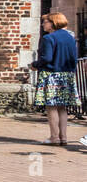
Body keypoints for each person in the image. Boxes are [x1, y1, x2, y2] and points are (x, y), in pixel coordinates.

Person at [31, 12, 78, 146]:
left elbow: (47, 58)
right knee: (62, 108)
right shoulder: (70, 37)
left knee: (51, 107)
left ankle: (54, 137)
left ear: (52, 23)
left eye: (45, 22)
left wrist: (34, 65)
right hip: (67, 74)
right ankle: (63, 137)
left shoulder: (49, 38)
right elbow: (74, 58)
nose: (43, 24)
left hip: (52, 75)